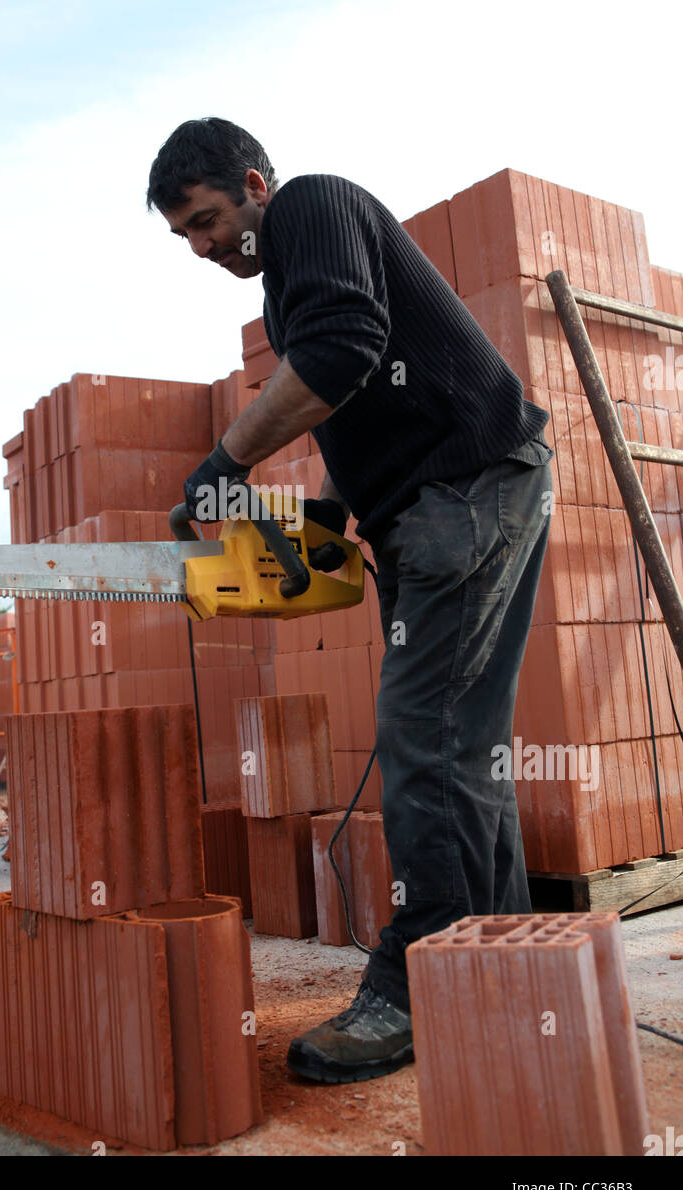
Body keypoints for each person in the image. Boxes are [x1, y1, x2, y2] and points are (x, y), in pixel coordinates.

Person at [146, 117, 554, 1084]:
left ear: (253, 183)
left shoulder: (313, 206)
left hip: (464, 487)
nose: (202, 248)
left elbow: (342, 355)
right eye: (184, 238)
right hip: (441, 498)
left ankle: (413, 987)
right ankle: (504, 961)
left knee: (423, 733)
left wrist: (224, 463)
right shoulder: (291, 283)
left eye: (206, 221)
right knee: (462, 742)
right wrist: (326, 523)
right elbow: (356, 400)